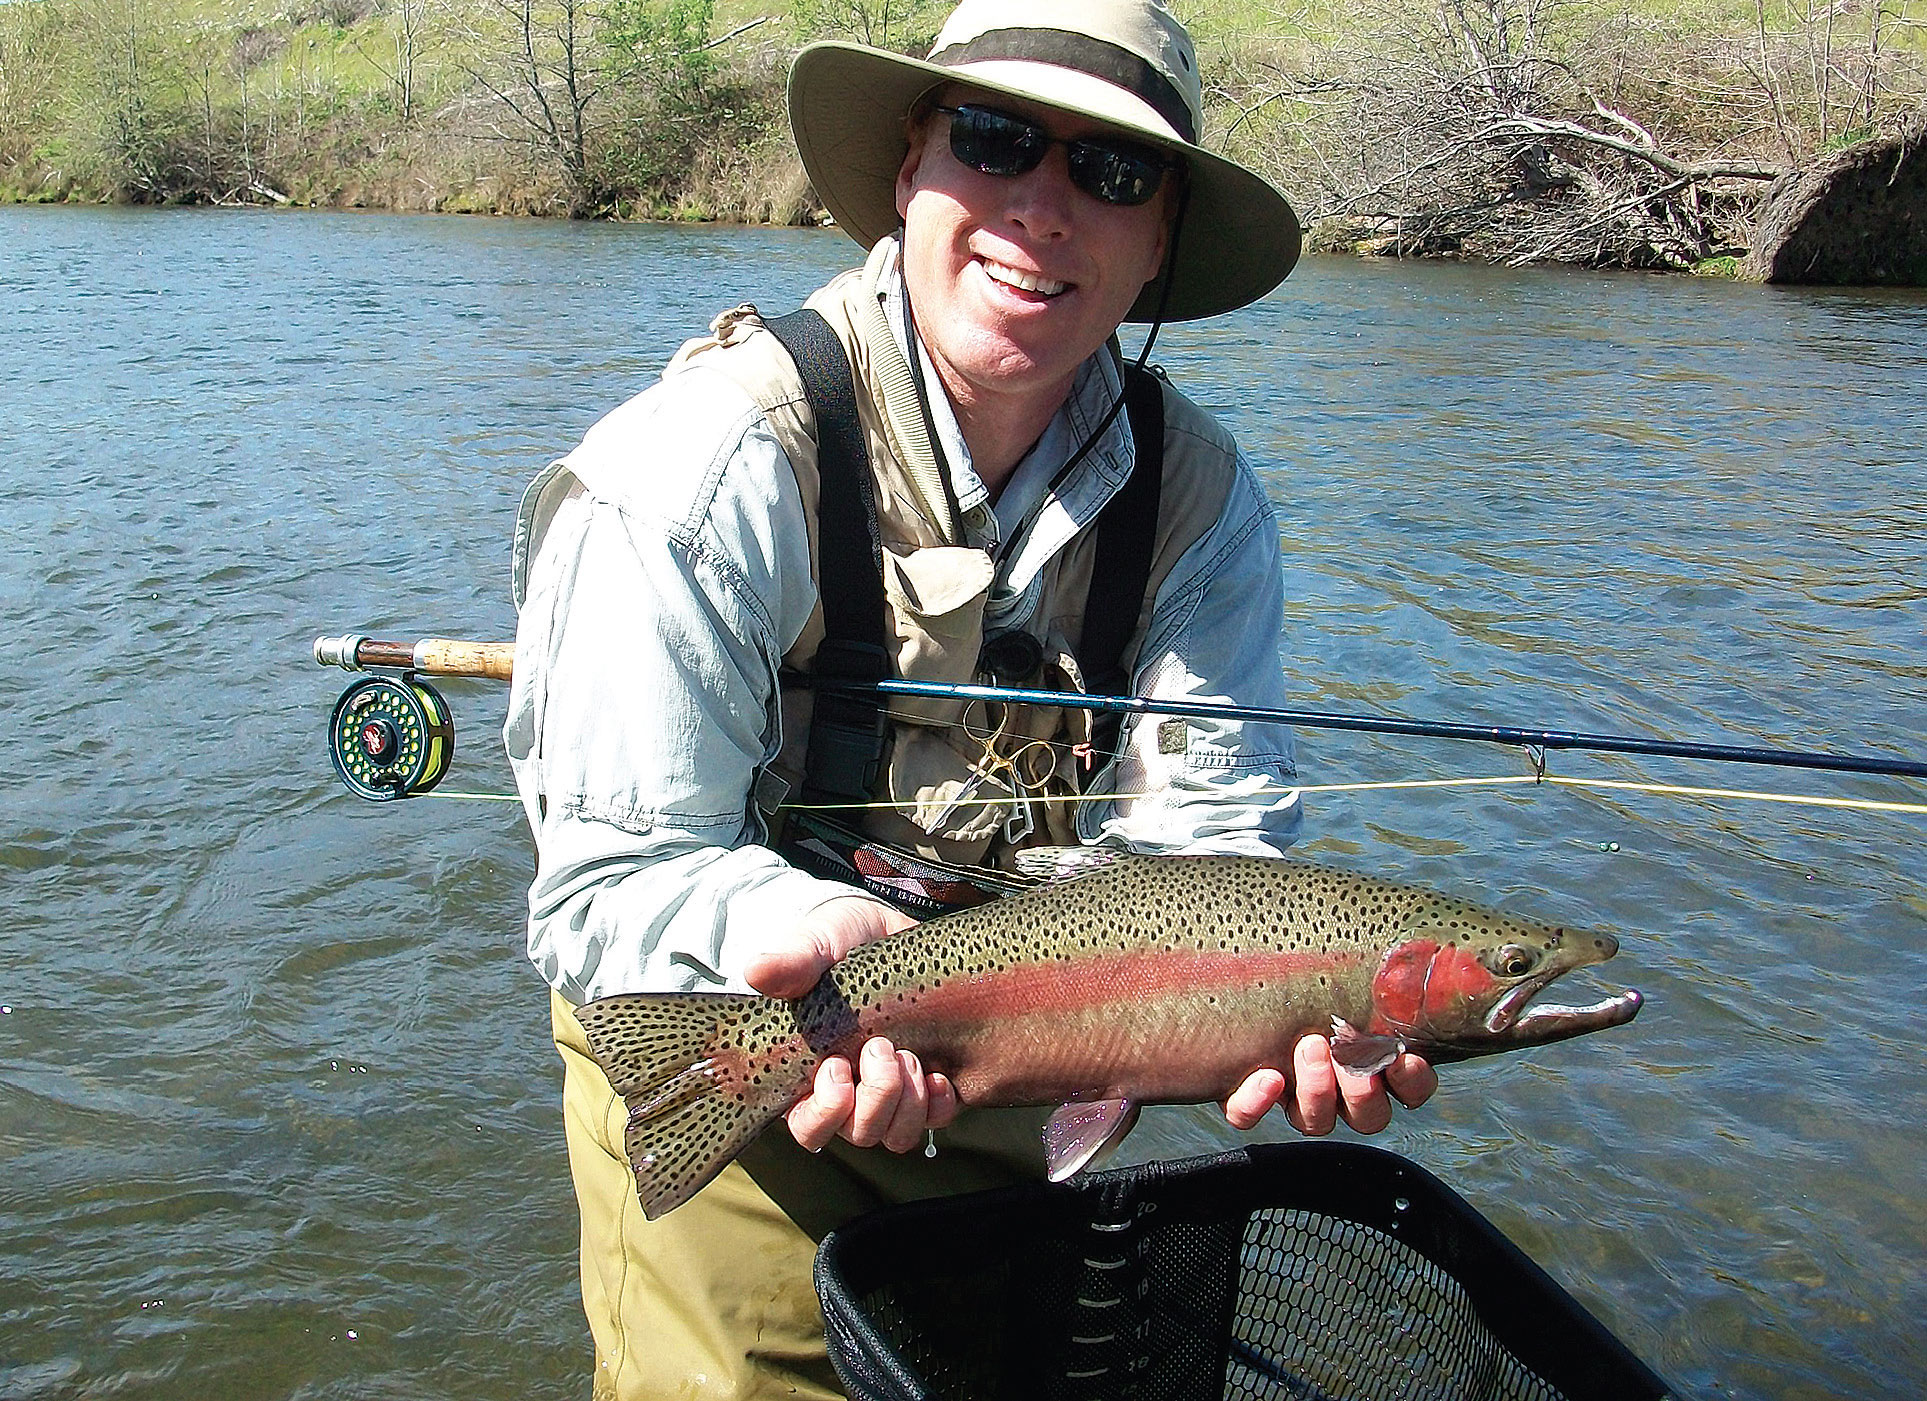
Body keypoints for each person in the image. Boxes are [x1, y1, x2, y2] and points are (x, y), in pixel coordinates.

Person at [504, 0, 1437, 1395]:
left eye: (1113, 172)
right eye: (997, 141)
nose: (1044, 209)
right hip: (735, 1067)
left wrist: (1275, 1014)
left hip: (1049, 1073)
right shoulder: (700, 472)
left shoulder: (1203, 507)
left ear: (1162, 232)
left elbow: (1216, 848)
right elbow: (603, 891)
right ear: (909, 170)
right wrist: (808, 944)